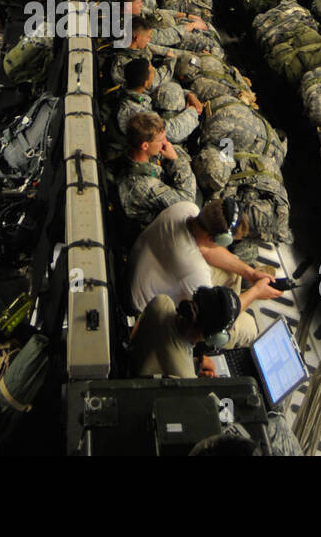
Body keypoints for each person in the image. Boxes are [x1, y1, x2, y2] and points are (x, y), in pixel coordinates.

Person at [129, 200, 279, 329]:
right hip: (142, 315)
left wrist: (250, 273)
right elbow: (219, 315)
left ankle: (236, 292)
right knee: (248, 328)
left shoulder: (186, 209)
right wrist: (256, 292)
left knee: (233, 274)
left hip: (135, 274)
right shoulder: (195, 270)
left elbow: (207, 251)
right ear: (219, 240)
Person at [129, 286, 243, 379]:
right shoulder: (186, 379)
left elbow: (160, 352)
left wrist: (195, 364)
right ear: (214, 337)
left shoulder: (161, 302)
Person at [119, 112, 197, 228]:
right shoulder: (144, 185)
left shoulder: (136, 154)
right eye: (161, 140)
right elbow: (187, 202)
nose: (166, 142)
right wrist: (176, 160)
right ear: (145, 146)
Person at [117, 58, 203, 145]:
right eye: (152, 71)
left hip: (154, 127)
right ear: (146, 83)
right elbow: (173, 132)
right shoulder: (134, 111)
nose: (154, 71)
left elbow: (164, 90)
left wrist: (190, 95)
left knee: (170, 88)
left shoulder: (134, 87)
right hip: (145, 146)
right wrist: (193, 111)